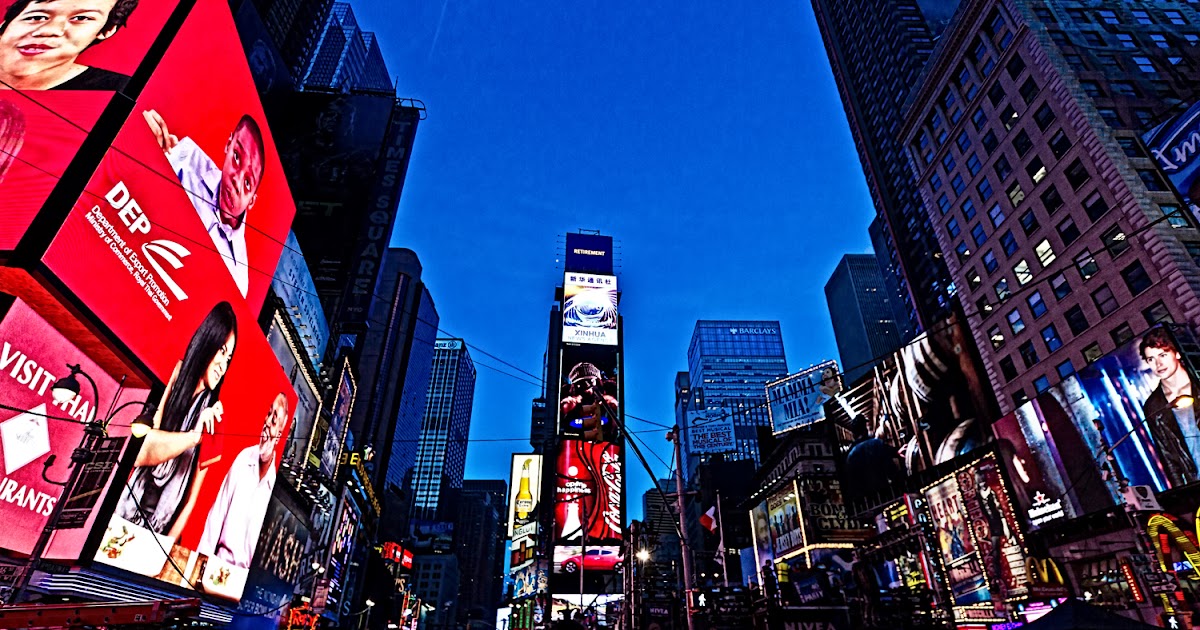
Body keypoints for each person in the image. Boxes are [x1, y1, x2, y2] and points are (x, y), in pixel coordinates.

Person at [116, 302, 236, 540]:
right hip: (121, 514)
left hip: (160, 532)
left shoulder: (215, 414)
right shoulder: (175, 375)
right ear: (207, 342)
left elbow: (190, 501)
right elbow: (142, 450)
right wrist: (193, 436)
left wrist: (164, 551)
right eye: (221, 352)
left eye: (229, 357)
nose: (224, 365)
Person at [144, 110, 266, 297]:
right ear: (228, 145)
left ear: (252, 202)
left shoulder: (238, 277)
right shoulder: (187, 160)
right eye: (236, 157)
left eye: (248, 182)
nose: (235, 180)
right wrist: (139, 135)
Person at [197, 392, 286, 568]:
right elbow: (217, 515)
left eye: (274, 420)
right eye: (268, 414)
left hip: (244, 583)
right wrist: (200, 565)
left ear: (280, 434)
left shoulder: (274, 488)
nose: (267, 422)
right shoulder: (244, 459)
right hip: (217, 567)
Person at [0, 0, 138, 90]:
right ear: (5, 23)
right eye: (36, 17)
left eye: (81, 18)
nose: (49, 30)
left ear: (107, 30)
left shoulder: (120, 89)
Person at [1139, 327, 1200, 487]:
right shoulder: (1153, 406)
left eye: (1163, 355)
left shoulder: (1198, 382)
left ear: (1177, 353)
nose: (1158, 363)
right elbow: (1167, 457)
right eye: (1151, 359)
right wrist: (1186, 496)